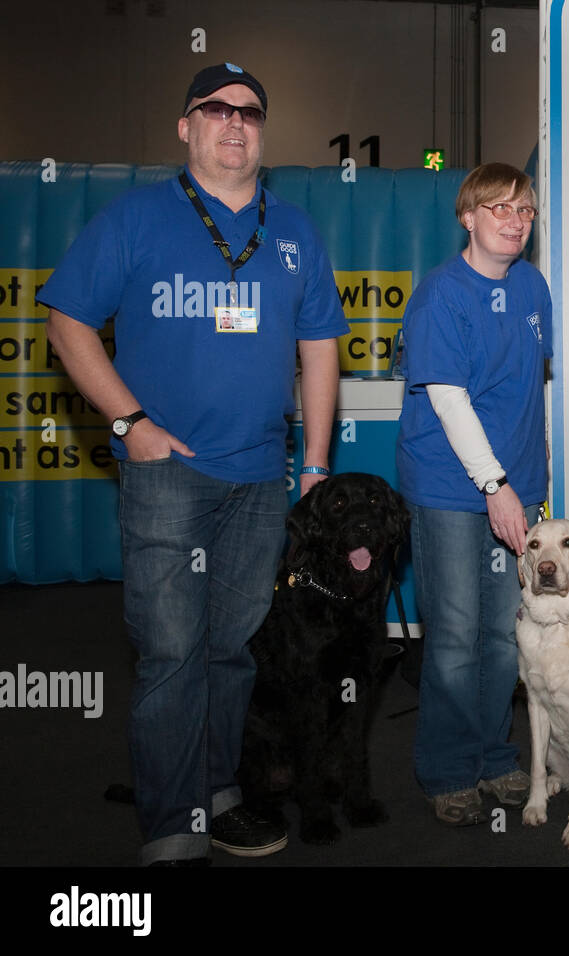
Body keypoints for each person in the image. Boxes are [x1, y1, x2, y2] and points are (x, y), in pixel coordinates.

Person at [39, 63, 347, 864]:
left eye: (248, 112)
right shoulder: (136, 218)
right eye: (215, 111)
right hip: (167, 472)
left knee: (229, 650)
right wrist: (129, 419)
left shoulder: (294, 232)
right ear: (186, 128)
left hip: (260, 477)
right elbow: (66, 320)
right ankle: (174, 824)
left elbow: (320, 348)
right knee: (173, 652)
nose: (234, 123)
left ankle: (218, 793)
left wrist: (314, 466)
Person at [397, 163, 551, 826]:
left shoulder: (532, 287)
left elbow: (527, 392)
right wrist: (495, 485)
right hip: (452, 488)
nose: (514, 222)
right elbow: (451, 402)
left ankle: (494, 756)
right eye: (499, 210)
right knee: (457, 634)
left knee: (501, 635)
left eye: (524, 211)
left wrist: (530, 478)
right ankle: (448, 768)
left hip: (515, 488)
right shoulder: (442, 295)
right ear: (468, 216)